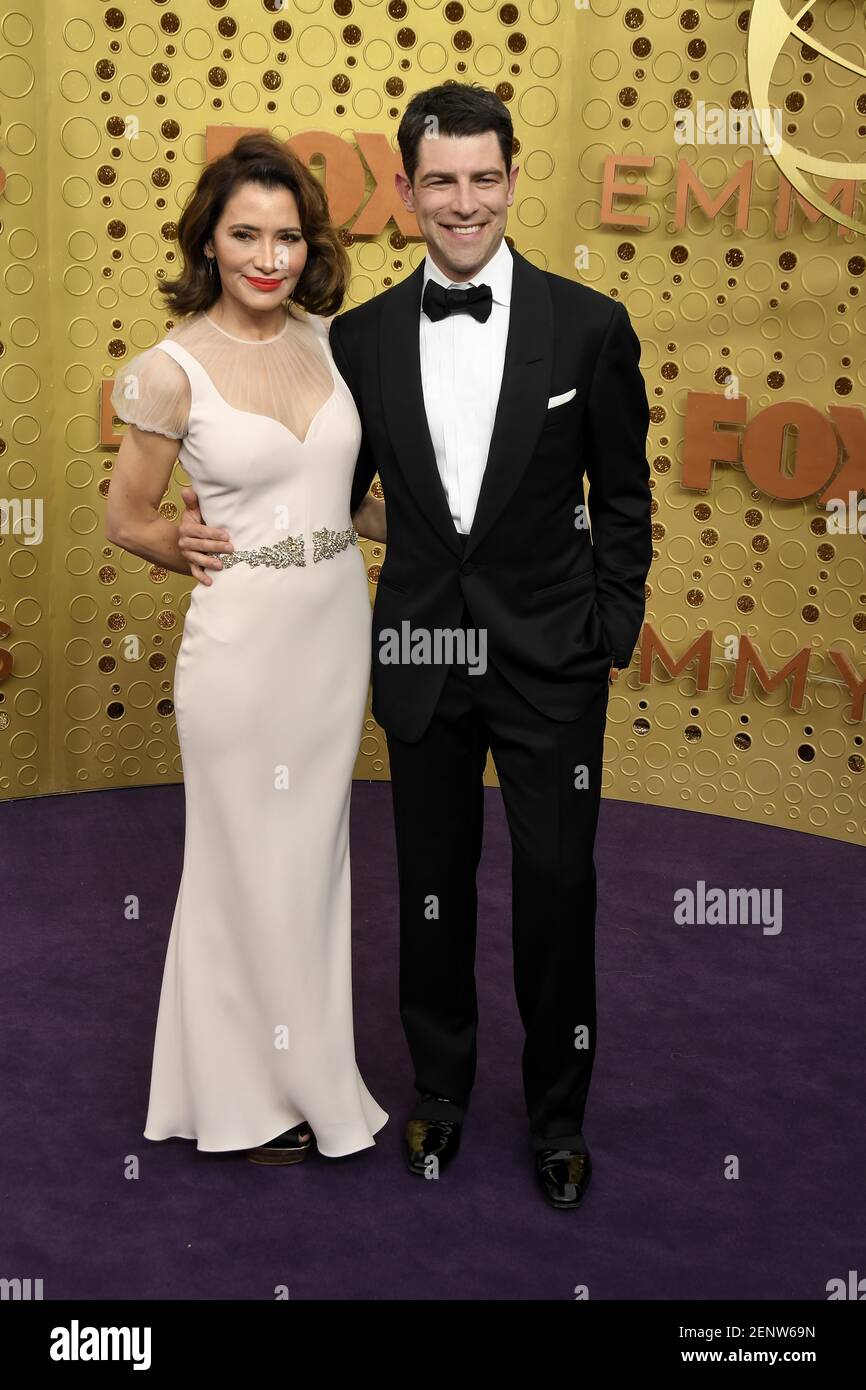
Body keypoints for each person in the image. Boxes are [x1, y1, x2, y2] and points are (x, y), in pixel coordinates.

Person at [180, 84, 653, 1210]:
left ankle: (554, 1117)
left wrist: (607, 630)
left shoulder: (589, 324)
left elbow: (623, 496)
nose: (462, 199)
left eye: (482, 176)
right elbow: (326, 493)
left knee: (553, 886)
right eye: (438, 179)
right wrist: (213, 526)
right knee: (429, 890)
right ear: (403, 193)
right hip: (420, 651)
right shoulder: (362, 336)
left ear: (510, 179)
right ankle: (438, 1098)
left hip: (551, 662)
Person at [105, 132, 388, 1165]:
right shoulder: (165, 371)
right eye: (245, 235)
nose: (268, 257)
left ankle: (302, 1074)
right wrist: (186, 549)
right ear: (209, 243)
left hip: (330, 638)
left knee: (310, 860)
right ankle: (242, 1096)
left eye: (286, 236)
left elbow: (345, 504)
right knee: (240, 862)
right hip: (242, 648)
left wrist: (451, 533)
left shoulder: (331, 341)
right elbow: (125, 517)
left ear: (305, 245)